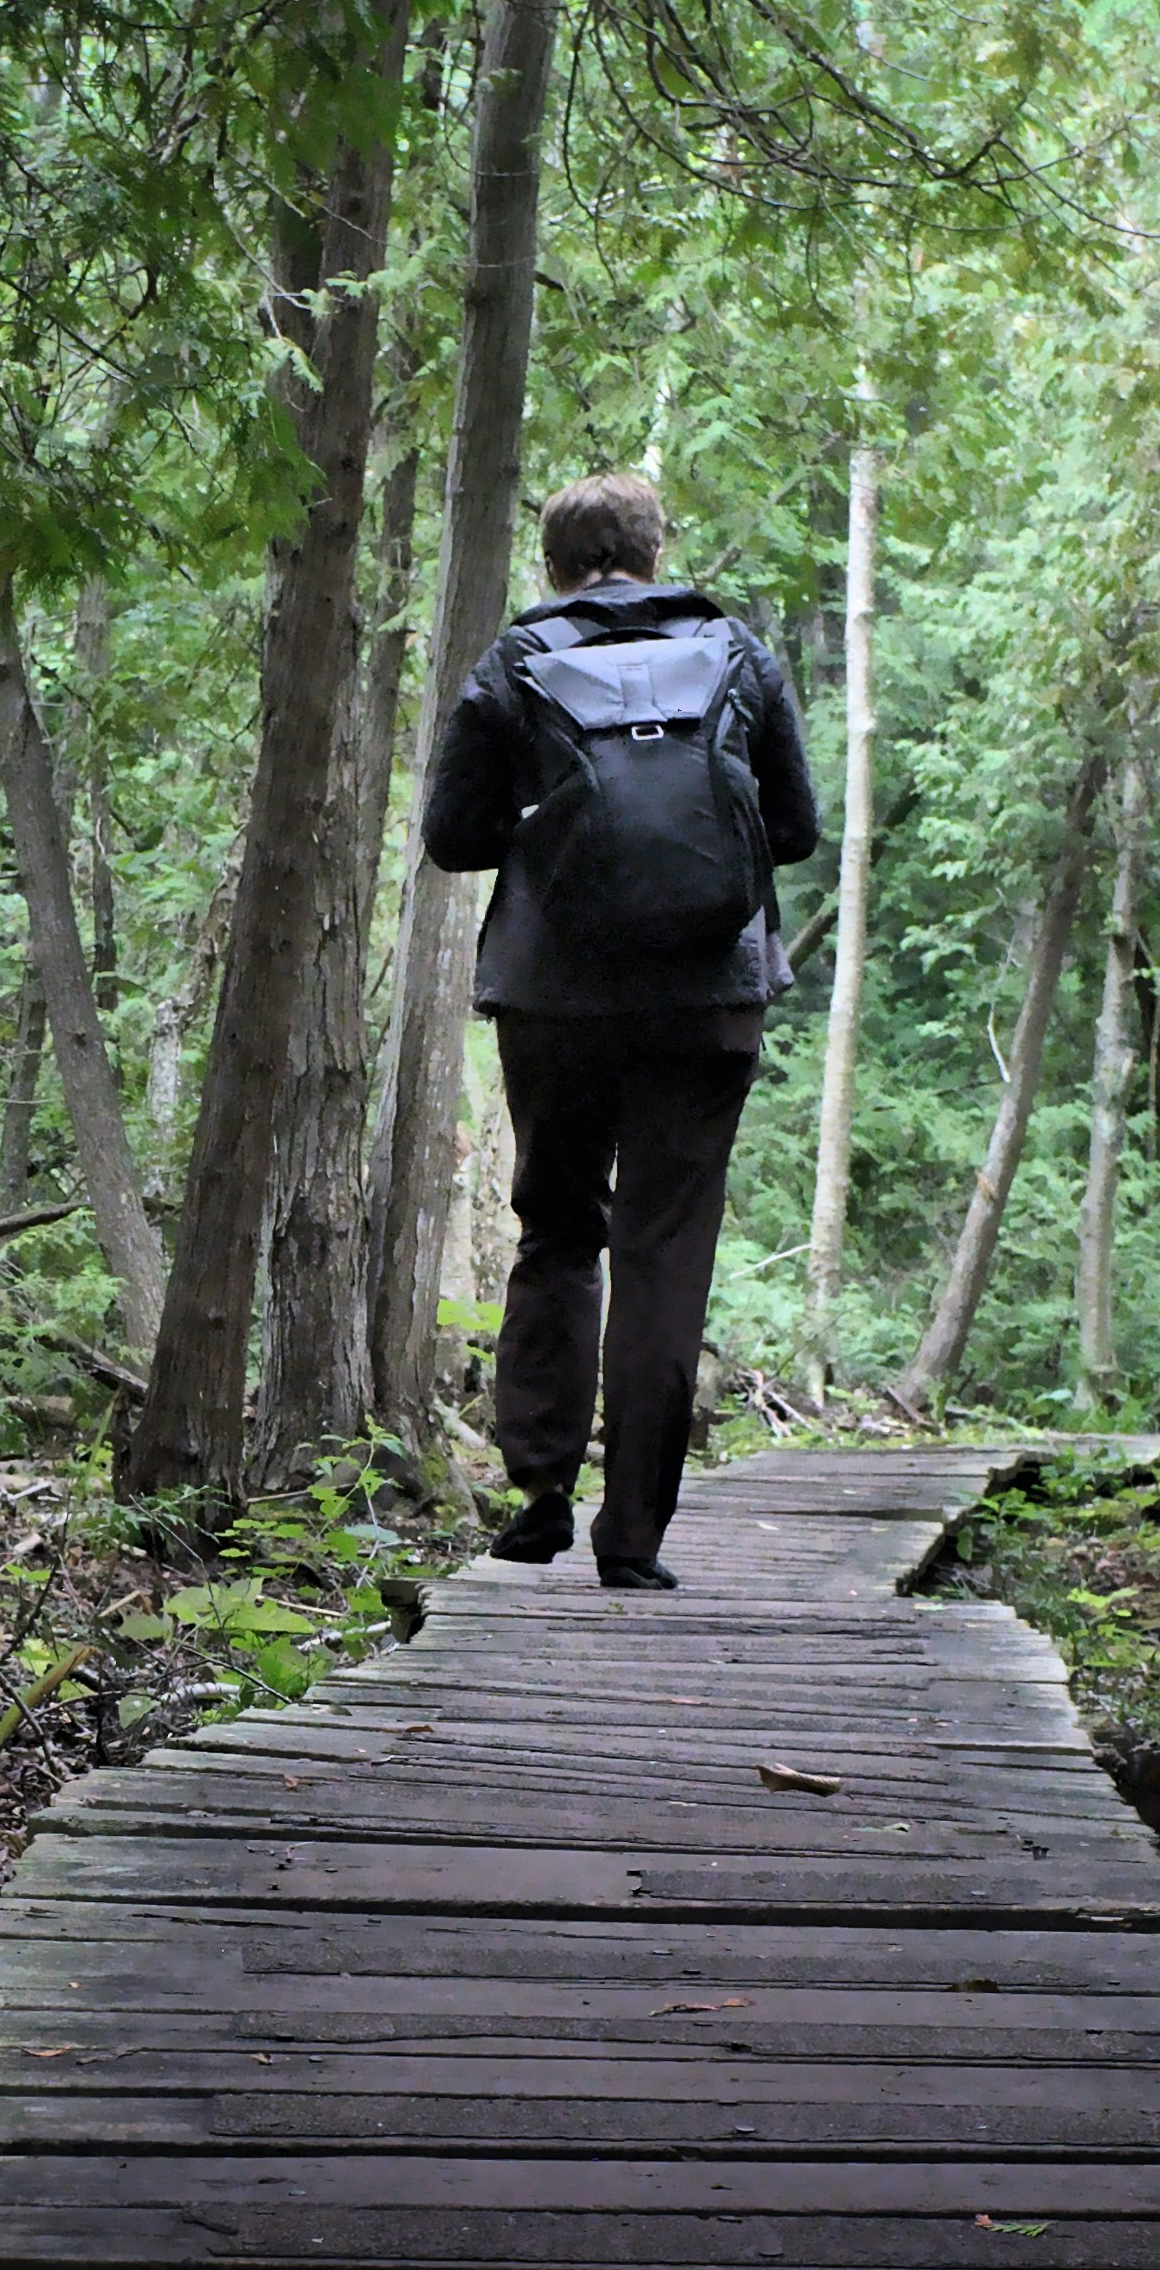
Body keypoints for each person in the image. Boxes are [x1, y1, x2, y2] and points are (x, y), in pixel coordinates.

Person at [416, 472, 822, 1589]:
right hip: (708, 995)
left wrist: (554, 829)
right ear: (654, 551)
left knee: (557, 1225)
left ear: (553, 564)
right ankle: (633, 1538)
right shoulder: (736, 651)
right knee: (664, 1253)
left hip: (556, 999)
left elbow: (452, 838)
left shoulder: (513, 663)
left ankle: (541, 1492)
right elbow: (793, 828)